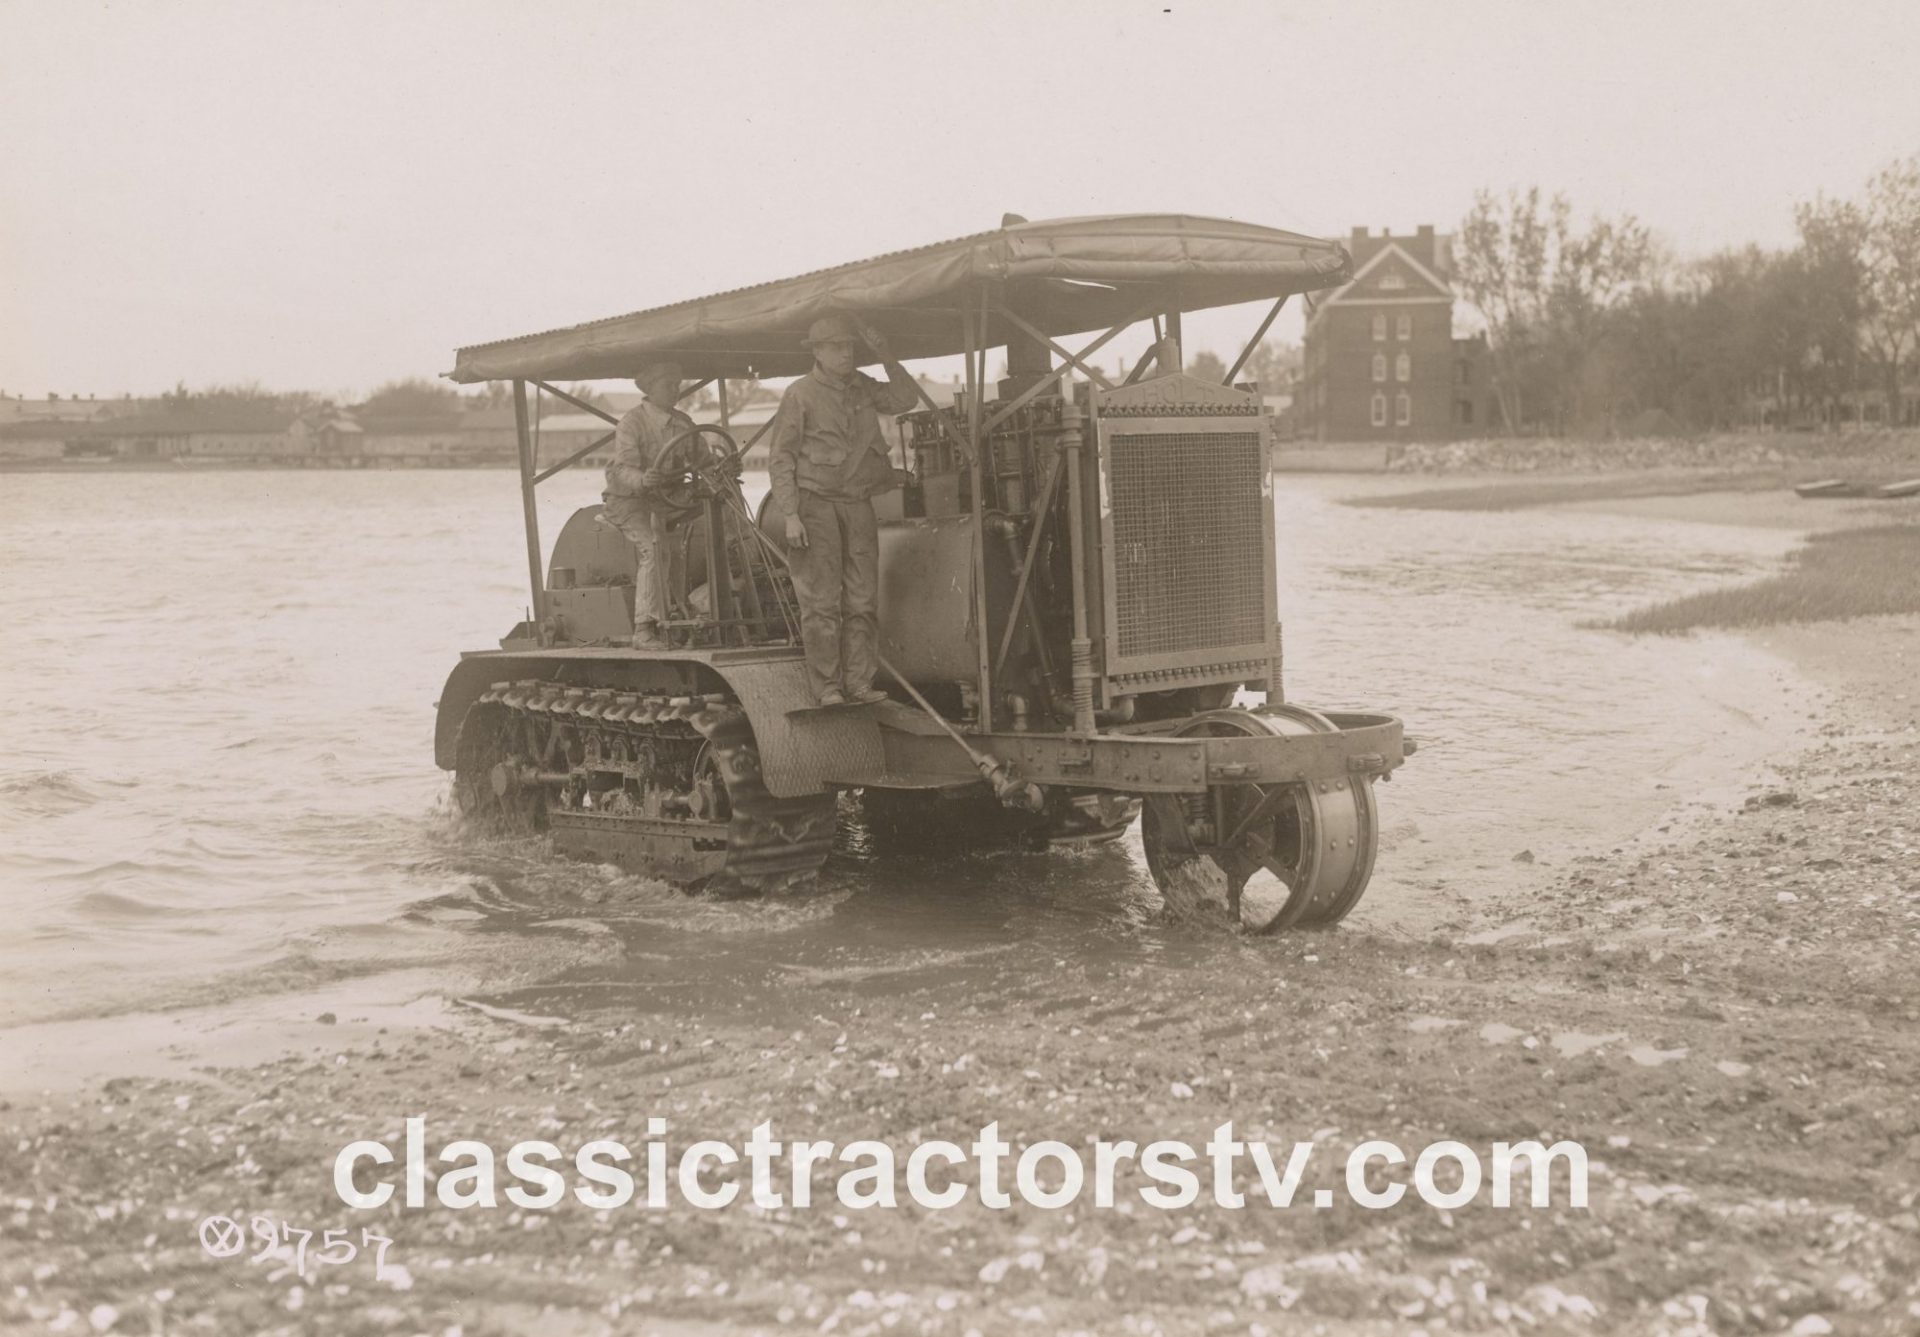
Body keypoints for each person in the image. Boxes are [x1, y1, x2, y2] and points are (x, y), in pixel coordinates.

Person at [768, 314, 917, 705]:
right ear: (817, 352)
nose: (846, 354)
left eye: (849, 346)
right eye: (837, 347)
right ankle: (828, 687)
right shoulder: (799, 394)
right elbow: (781, 457)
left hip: (858, 504)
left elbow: (905, 399)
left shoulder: (862, 386)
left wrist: (885, 354)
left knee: (863, 600)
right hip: (815, 506)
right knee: (821, 603)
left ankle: (859, 684)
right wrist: (791, 514)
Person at [602, 361, 695, 650]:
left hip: (663, 502)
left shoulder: (683, 423)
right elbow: (622, 469)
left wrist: (723, 465)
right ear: (650, 389)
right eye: (668, 385)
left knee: (678, 551)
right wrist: (643, 479)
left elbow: (702, 458)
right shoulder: (631, 423)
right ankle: (643, 629)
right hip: (628, 502)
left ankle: (678, 615)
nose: (675, 390)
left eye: (677, 385)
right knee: (653, 548)